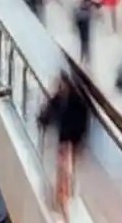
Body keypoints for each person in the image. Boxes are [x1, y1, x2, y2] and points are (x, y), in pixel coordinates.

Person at [38, 71, 90, 219]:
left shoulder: (72, 102)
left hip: (68, 141)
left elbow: (47, 114)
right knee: (65, 171)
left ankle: (63, 202)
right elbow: (46, 115)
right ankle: (63, 201)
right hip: (66, 142)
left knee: (65, 171)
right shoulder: (68, 101)